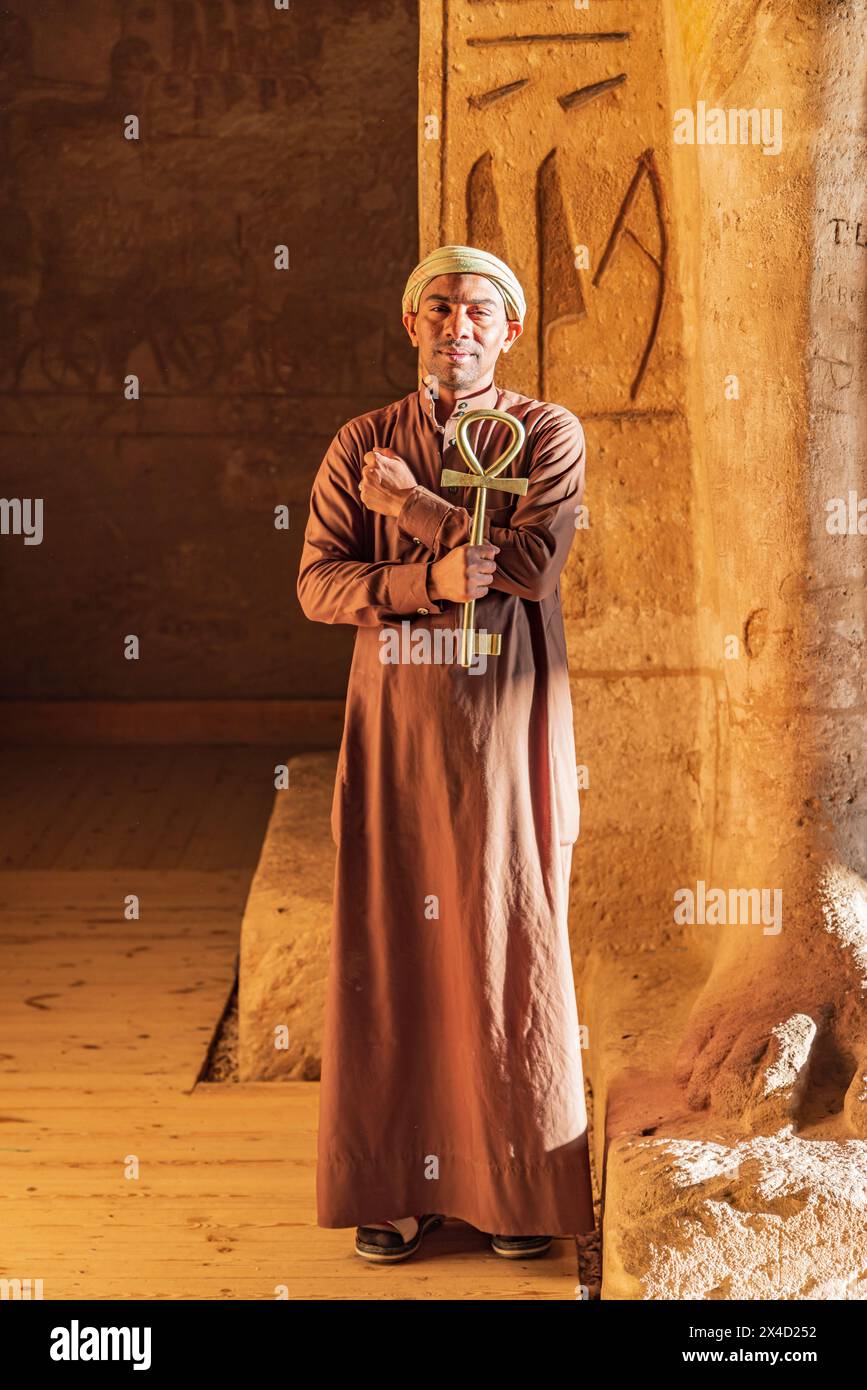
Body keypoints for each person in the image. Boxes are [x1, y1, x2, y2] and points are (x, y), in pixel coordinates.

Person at [296, 244, 594, 1264]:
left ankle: (511, 1191)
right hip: (396, 725)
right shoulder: (363, 441)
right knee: (393, 942)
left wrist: (414, 512)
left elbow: (530, 566)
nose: (456, 327)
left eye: (477, 311)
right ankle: (397, 1186)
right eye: (438, 309)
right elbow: (318, 583)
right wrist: (424, 581)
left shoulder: (547, 433)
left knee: (504, 933)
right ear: (411, 325)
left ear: (510, 330)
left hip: (502, 725)